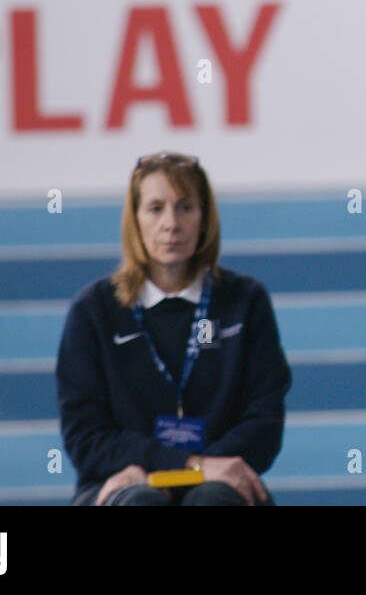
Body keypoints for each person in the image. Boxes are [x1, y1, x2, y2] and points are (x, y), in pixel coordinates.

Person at [57, 152, 291, 505]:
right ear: (134, 220)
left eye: (185, 207)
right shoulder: (94, 310)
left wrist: (201, 471)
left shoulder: (246, 301)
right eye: (155, 208)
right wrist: (187, 466)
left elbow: (264, 421)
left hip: (221, 482)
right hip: (124, 478)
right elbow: (85, 436)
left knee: (213, 501)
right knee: (141, 501)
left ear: (204, 218)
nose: (171, 223)